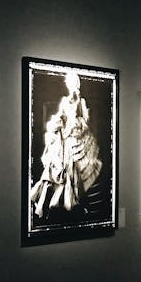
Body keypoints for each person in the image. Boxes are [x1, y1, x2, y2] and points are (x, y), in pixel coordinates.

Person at [30, 71, 103, 219]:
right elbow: (60, 116)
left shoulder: (81, 101)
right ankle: (61, 207)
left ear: (77, 84)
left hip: (78, 137)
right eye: (69, 83)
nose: (71, 85)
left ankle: (78, 204)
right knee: (60, 167)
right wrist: (57, 124)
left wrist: (76, 122)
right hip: (66, 138)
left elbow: (85, 121)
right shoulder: (64, 101)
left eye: (73, 83)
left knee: (80, 168)